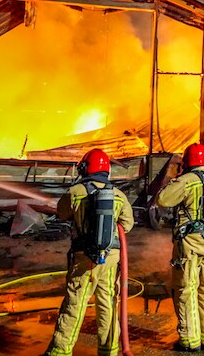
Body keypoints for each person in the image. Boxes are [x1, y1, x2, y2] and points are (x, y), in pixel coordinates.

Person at [45, 148, 134, 356]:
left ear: (85, 168)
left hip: (85, 257)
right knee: (109, 304)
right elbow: (127, 225)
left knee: (75, 303)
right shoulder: (118, 195)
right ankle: (109, 351)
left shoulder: (75, 192)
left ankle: (60, 351)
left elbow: (61, 212)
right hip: (111, 259)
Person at [156, 143, 204, 352]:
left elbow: (163, 199)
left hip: (190, 244)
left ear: (187, 162)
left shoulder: (187, 181)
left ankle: (190, 341)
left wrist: (175, 175)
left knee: (185, 289)